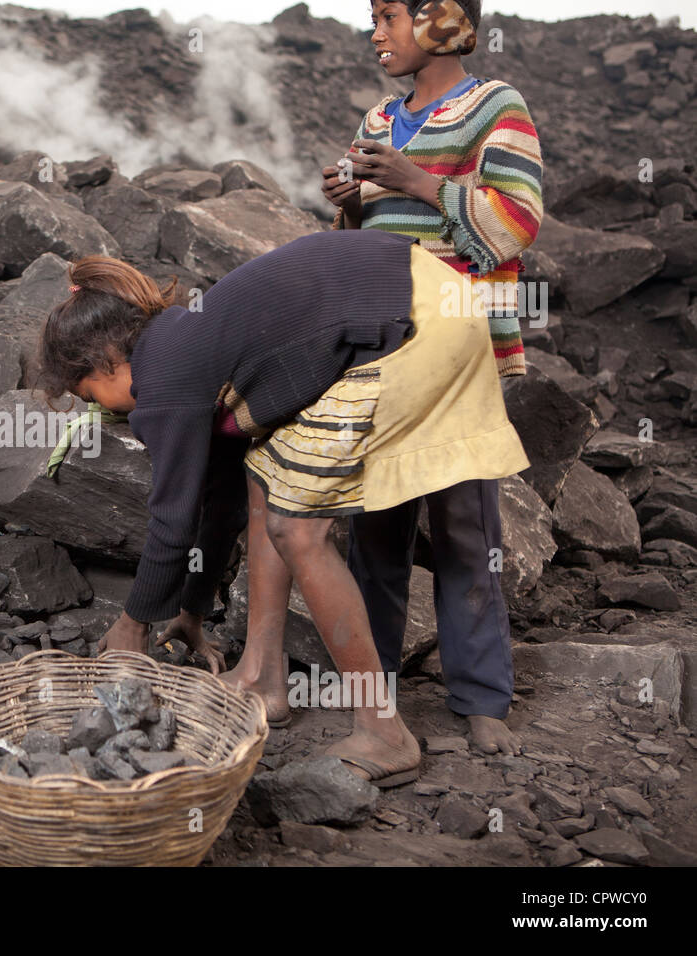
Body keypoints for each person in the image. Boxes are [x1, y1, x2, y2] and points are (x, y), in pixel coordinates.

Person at [36, 228, 530, 786]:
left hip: (411, 326)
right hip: (435, 300)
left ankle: (383, 731)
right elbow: (218, 502)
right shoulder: (187, 345)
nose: (106, 411)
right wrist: (192, 609)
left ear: (105, 361)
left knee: (297, 530)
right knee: (266, 477)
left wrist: (133, 625)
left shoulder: (164, 377)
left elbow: (171, 521)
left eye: (88, 395)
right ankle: (262, 678)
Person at [321, 0, 544, 754]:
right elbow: (362, 245)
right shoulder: (378, 122)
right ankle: (375, 695)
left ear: (442, 20)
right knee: (376, 527)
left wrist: (419, 182)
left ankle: (481, 698)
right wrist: (349, 208)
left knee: (463, 526)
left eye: (389, 15)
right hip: (383, 353)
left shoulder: (496, 108)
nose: (375, 32)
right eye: (372, 17)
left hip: (459, 357)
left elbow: (514, 223)